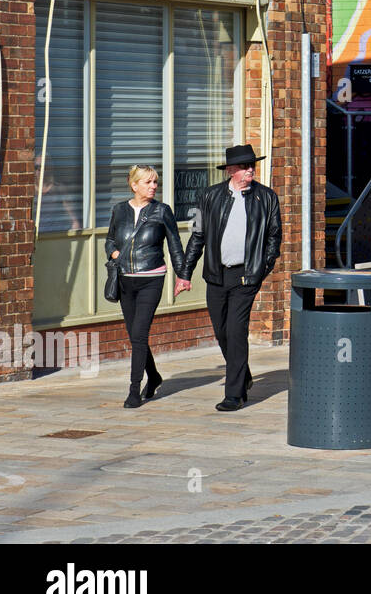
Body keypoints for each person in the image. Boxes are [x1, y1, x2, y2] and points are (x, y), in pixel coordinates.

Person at [184, 144, 281, 412]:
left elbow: (274, 237)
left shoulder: (267, 198)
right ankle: (244, 375)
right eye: (244, 166)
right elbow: (198, 236)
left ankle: (234, 394)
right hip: (216, 274)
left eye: (252, 165)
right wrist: (184, 273)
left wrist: (263, 267)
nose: (250, 170)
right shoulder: (208, 196)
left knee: (236, 331)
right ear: (230, 170)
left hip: (246, 275)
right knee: (222, 332)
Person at [105, 165, 192, 409]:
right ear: (134, 185)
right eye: (148, 182)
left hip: (151, 278)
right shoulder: (119, 210)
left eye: (155, 182)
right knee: (135, 336)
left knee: (140, 333)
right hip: (124, 279)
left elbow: (175, 245)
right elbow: (110, 238)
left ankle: (134, 390)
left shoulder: (162, 211)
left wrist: (182, 275)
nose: (154, 186)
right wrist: (113, 252)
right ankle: (154, 376)